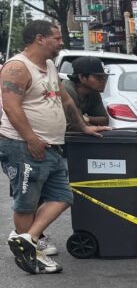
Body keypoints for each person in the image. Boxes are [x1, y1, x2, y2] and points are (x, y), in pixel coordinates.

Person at [1, 21, 103, 274]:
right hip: (22, 145)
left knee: (63, 197)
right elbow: (11, 107)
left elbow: (65, 100)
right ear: (40, 39)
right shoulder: (17, 67)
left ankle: (27, 239)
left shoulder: (48, 66)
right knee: (27, 202)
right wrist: (31, 139)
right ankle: (30, 255)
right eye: (56, 38)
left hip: (52, 146)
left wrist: (83, 127)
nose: (61, 42)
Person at [61, 56, 111, 126]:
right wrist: (84, 120)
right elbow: (79, 124)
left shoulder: (93, 92)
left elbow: (105, 121)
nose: (103, 80)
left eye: (104, 77)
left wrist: (85, 118)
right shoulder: (67, 90)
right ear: (82, 77)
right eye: (98, 77)